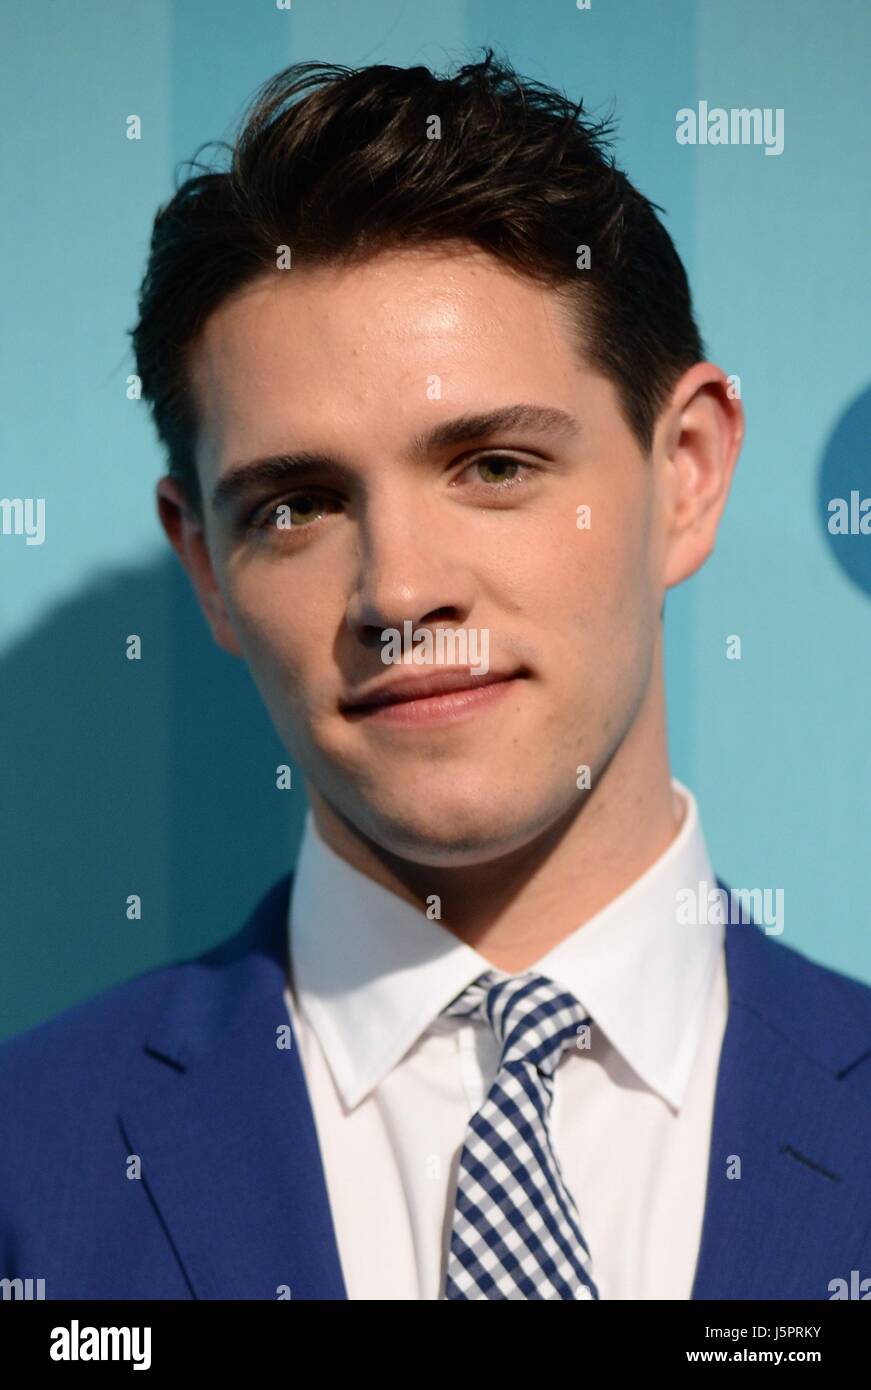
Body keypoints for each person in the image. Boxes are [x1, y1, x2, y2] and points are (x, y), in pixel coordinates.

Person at [2, 52, 869, 1302]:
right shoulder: (29, 1169)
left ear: (684, 472)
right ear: (205, 563)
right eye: (297, 505)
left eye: (496, 466)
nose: (399, 592)